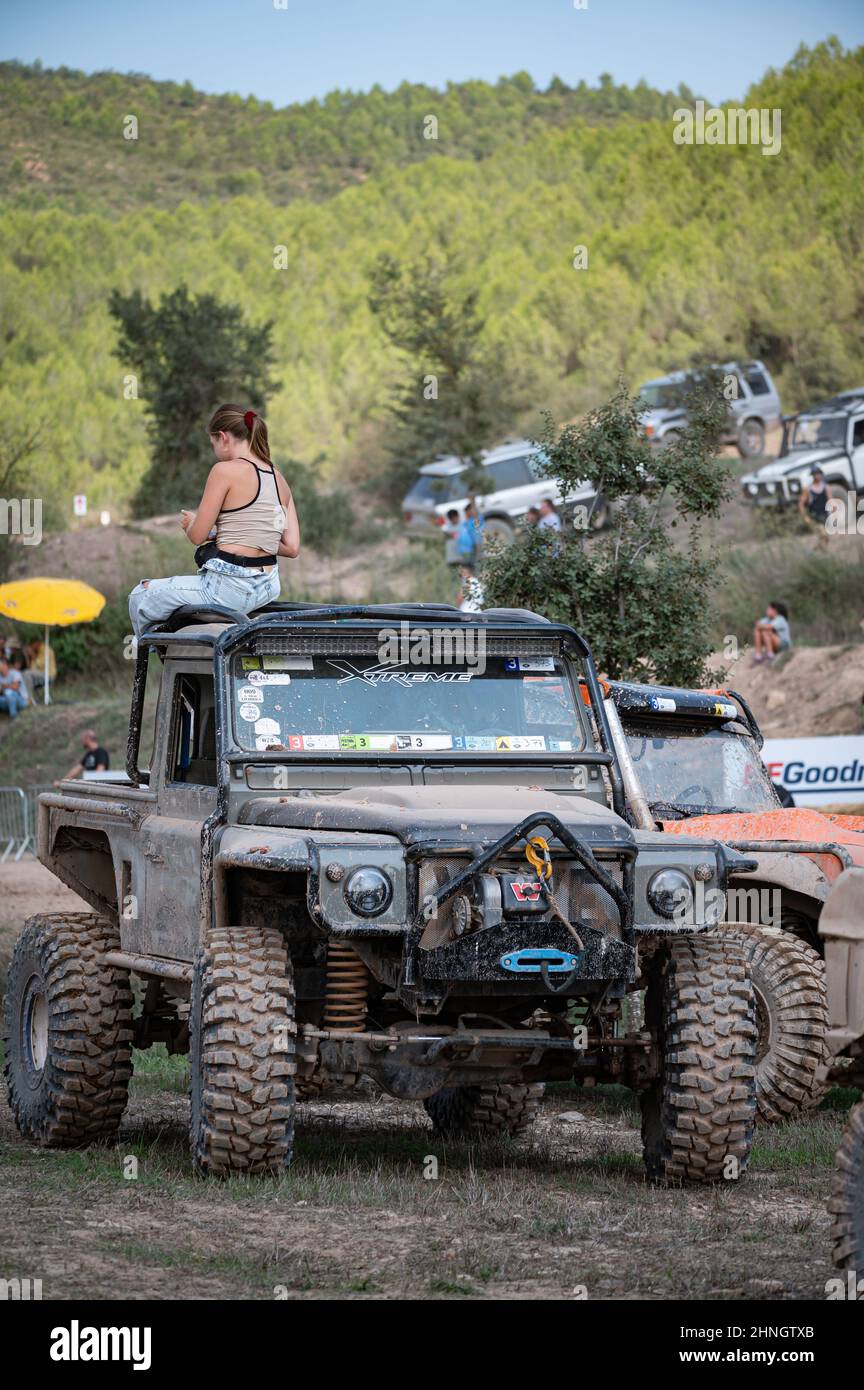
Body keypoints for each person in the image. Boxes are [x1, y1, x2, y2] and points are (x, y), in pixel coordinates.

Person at [128, 405, 300, 637]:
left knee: (140, 595)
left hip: (230, 588)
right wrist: (226, 534)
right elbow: (291, 547)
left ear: (223, 437)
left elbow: (197, 536)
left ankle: (155, 662)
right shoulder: (279, 478)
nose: (215, 451)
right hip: (268, 587)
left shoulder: (224, 471)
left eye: (213, 444)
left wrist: (192, 523)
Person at [454, 499, 485, 605]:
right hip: (465, 552)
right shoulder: (467, 522)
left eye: (468, 511)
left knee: (470, 571)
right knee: (466, 571)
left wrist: (472, 500)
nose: (466, 514)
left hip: (472, 551)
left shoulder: (476, 520)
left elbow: (477, 538)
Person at [752, 600, 792, 665]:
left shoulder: (780, 619)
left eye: (769, 609)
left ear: (775, 610)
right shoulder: (767, 619)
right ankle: (758, 655)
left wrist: (760, 625)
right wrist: (759, 626)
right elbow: (758, 625)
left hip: (783, 645)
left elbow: (768, 627)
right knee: (757, 630)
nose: (767, 610)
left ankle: (770, 654)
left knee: (765, 631)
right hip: (774, 643)